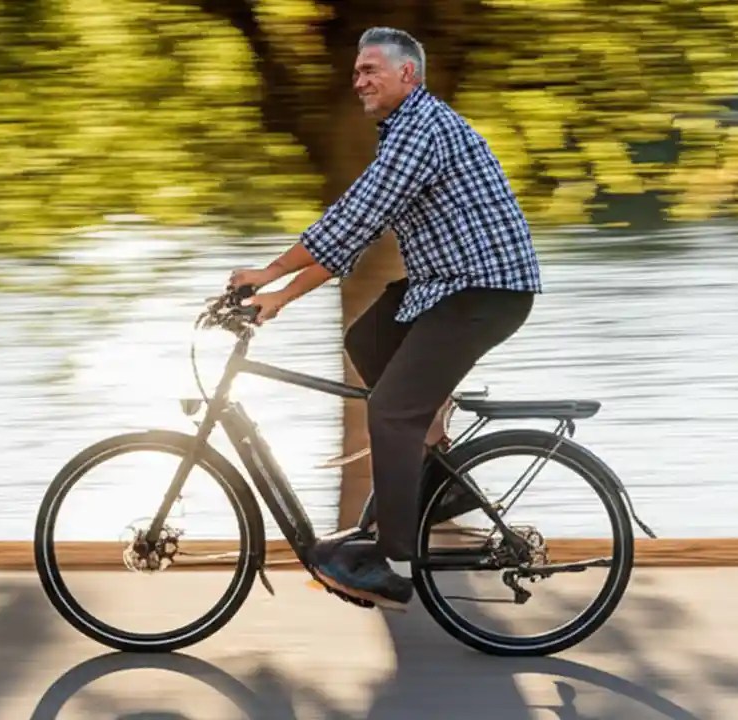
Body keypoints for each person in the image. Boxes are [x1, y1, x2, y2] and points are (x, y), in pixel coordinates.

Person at [228, 26, 542, 609]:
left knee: (391, 410)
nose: (358, 80)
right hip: (444, 285)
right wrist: (276, 290)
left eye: (370, 69)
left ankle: (390, 561)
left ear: (408, 74)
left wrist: (272, 280)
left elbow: (354, 219)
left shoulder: (423, 130)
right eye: (355, 71)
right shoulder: (404, 130)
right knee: (367, 339)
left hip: (484, 292)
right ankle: (441, 479)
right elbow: (352, 230)